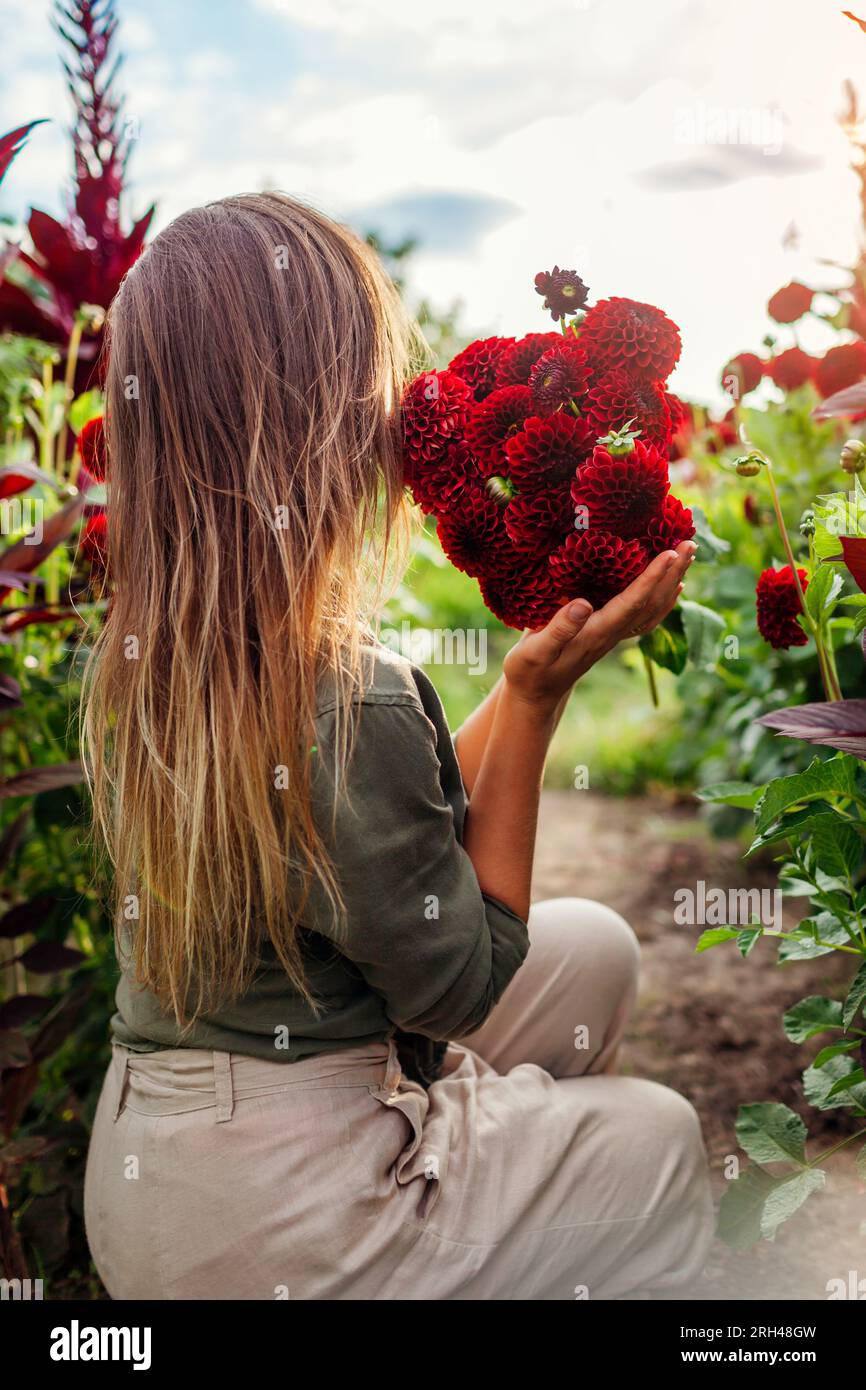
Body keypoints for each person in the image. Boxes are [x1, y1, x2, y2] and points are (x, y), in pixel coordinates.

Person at [82, 191, 713, 1301]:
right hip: (293, 1217)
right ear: (323, 420)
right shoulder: (346, 696)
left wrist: (528, 673)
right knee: (654, 1136)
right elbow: (457, 986)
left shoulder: (143, 661)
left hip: (155, 1185)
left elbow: (374, 821)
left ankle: (482, 1190)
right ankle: (447, 1220)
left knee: (596, 951)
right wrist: (535, 702)